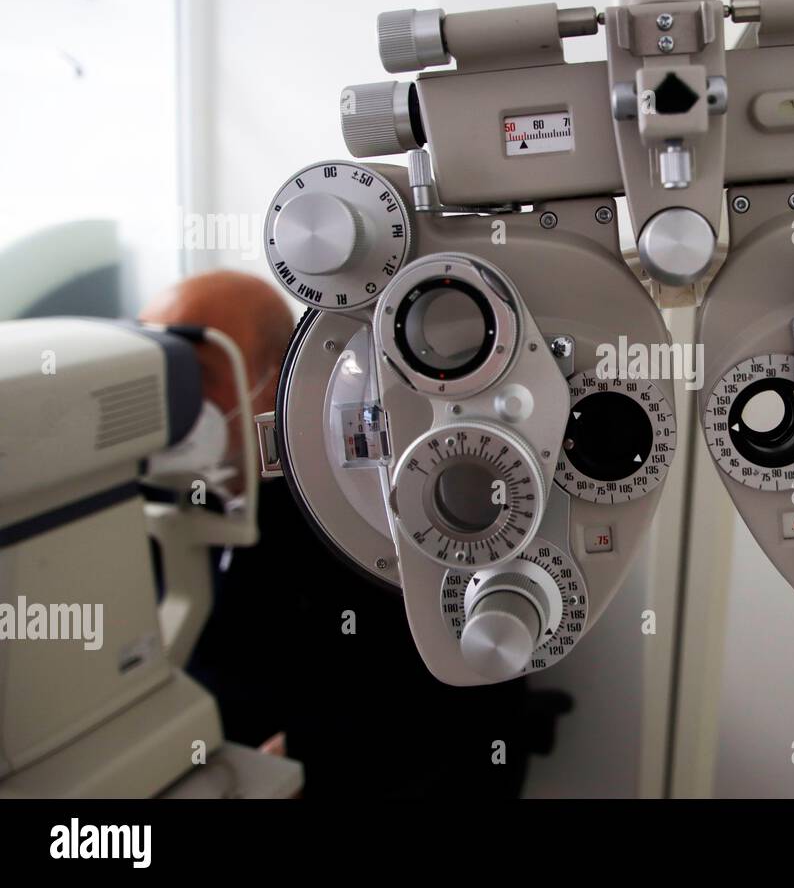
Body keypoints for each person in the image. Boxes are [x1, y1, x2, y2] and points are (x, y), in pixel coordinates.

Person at [140, 270, 566, 797]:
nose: (169, 396)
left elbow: (452, 713)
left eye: (198, 373)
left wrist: (308, 758)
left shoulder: (364, 526)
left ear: (278, 383)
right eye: (153, 366)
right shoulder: (144, 505)